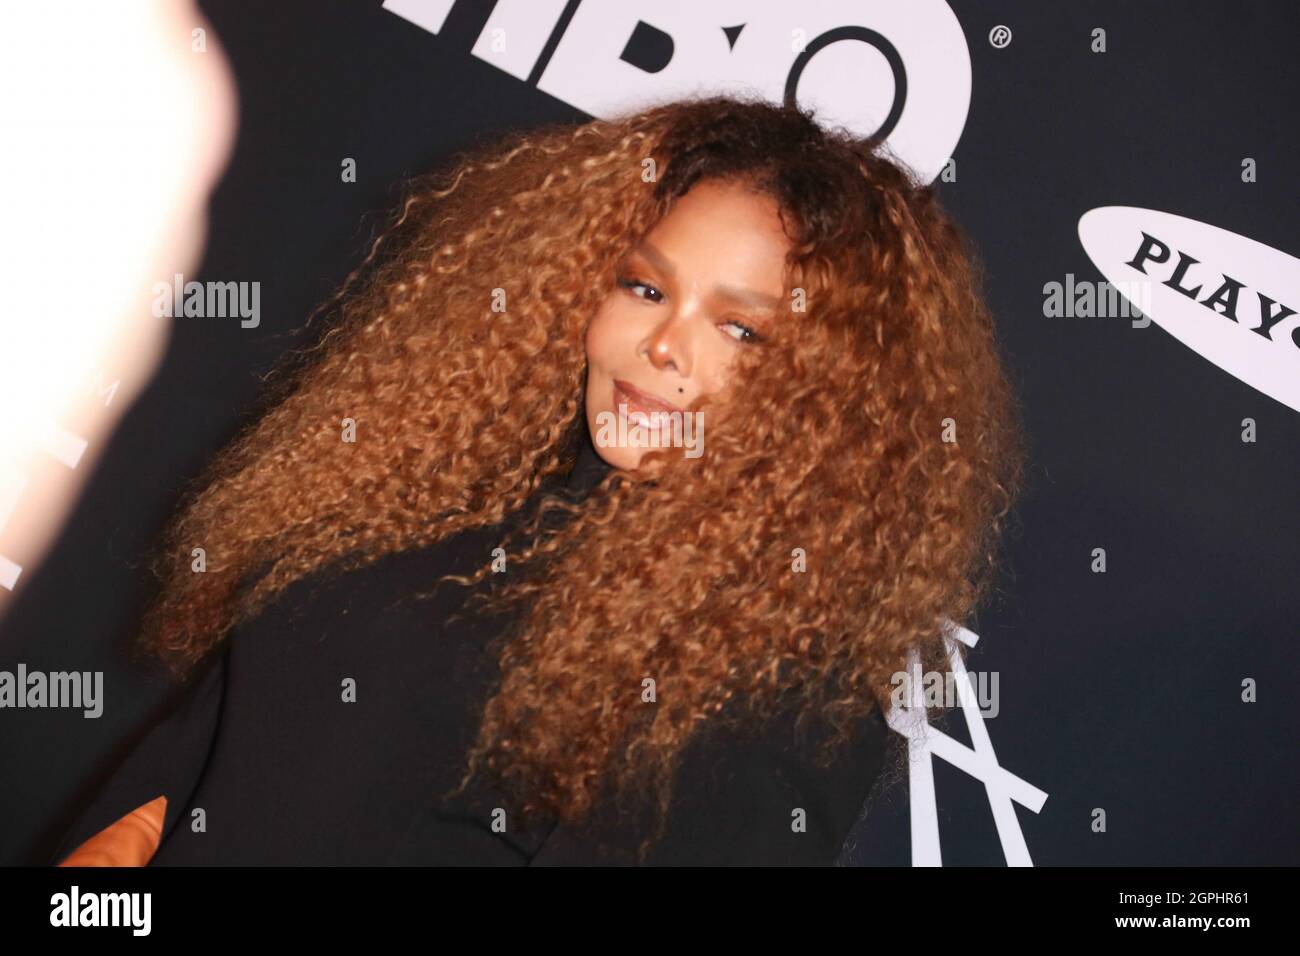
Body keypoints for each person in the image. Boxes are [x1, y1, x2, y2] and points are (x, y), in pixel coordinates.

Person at [51, 94, 1022, 866]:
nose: (662, 345)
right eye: (644, 287)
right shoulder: (438, 484)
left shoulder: (775, 697)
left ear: (833, 397)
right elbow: (192, 765)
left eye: (742, 329)